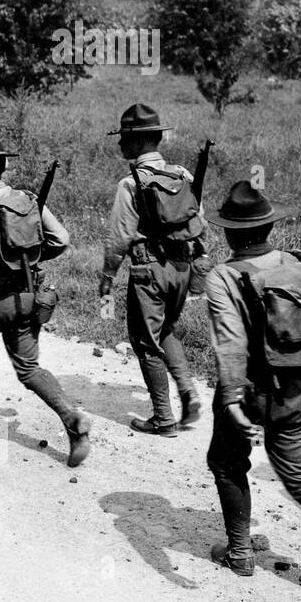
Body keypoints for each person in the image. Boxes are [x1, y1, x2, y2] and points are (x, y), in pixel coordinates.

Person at [0, 131, 92, 467]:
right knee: (29, 368)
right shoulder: (27, 199)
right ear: (2, 166)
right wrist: (28, 260)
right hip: (31, 294)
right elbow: (62, 239)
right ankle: (71, 417)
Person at [203, 180, 301, 576]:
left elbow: (229, 341)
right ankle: (242, 548)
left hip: (248, 390)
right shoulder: (298, 263)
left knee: (227, 463)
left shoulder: (223, 276)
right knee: (299, 478)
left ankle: (241, 552)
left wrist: (231, 397)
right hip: (297, 385)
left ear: (229, 232)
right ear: (269, 227)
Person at [99, 103, 207, 437]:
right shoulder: (182, 175)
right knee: (167, 329)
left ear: (138, 142)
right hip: (182, 266)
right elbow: (199, 223)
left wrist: (106, 278)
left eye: (124, 139)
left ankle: (163, 419)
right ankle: (188, 391)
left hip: (148, 270)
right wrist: (199, 268)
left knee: (146, 343)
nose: (120, 146)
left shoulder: (130, 183)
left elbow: (119, 238)